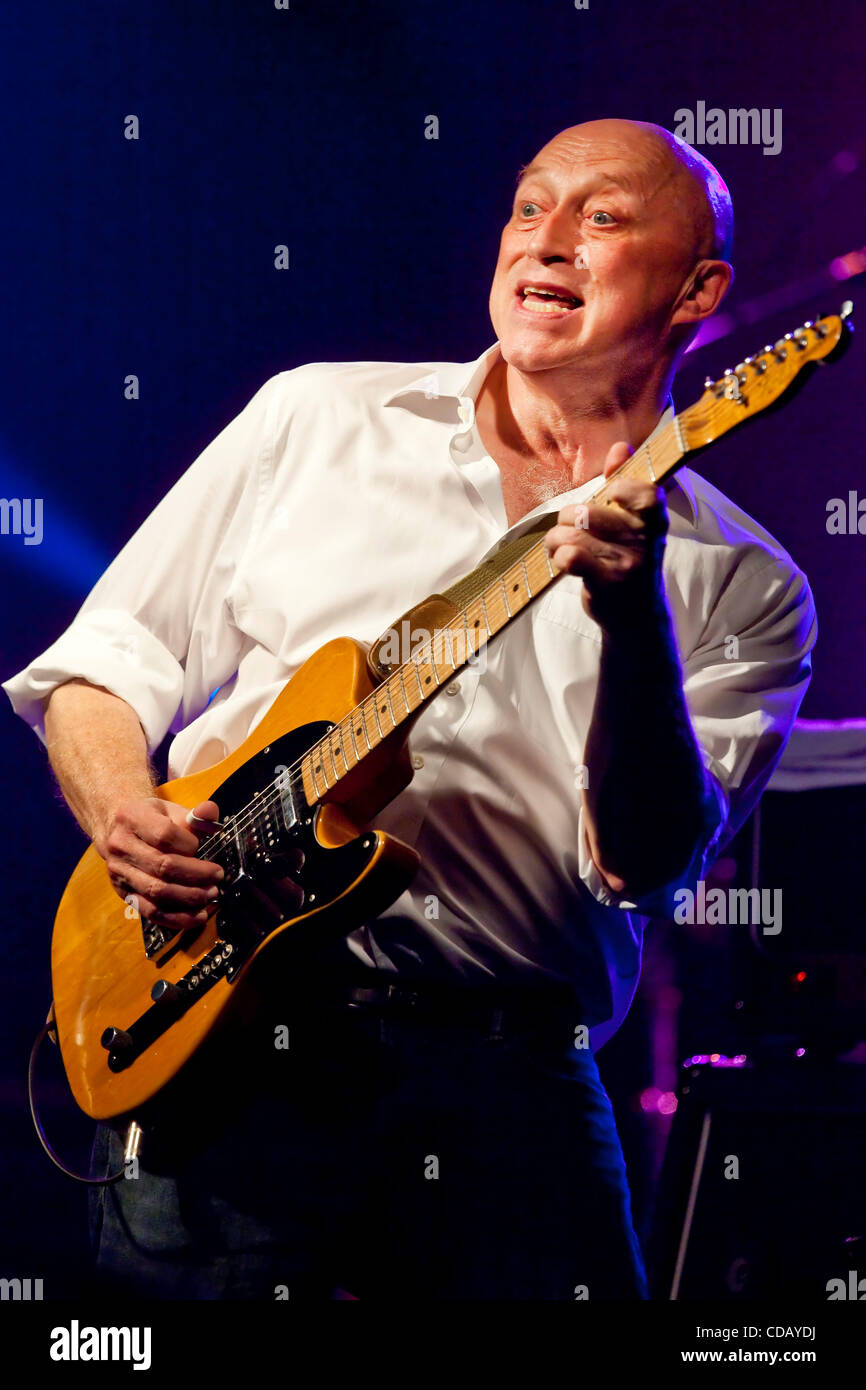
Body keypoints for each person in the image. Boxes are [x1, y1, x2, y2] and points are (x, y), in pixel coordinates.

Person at [3, 118, 816, 1300]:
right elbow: (107, 657)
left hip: (509, 1084)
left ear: (698, 291)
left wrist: (632, 615)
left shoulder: (744, 582)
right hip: (225, 1044)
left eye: (601, 218)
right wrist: (124, 809)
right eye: (529, 206)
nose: (547, 240)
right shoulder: (316, 419)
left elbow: (643, 861)